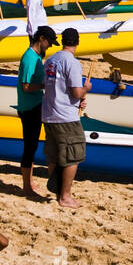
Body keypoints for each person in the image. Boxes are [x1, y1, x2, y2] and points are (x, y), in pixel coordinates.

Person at [43, 27, 90, 208]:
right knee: (73, 155)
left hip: (49, 113)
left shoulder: (51, 60)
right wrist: (86, 89)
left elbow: (53, 87)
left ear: (63, 41)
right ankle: (65, 196)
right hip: (65, 117)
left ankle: (58, 192)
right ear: (77, 42)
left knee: (54, 154)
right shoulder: (72, 62)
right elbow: (77, 92)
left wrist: (76, 100)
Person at [19, 26, 56, 197]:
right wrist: (44, 85)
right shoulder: (29, 58)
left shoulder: (36, 57)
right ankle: (26, 186)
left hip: (35, 106)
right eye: (49, 42)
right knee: (30, 146)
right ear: (41, 38)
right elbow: (26, 87)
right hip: (29, 108)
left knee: (32, 146)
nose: (49, 46)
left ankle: (30, 183)